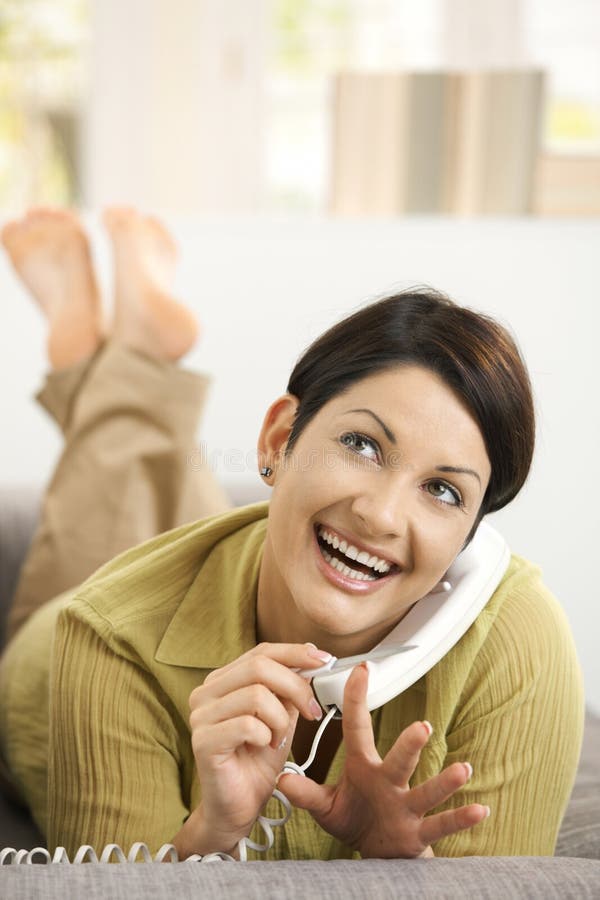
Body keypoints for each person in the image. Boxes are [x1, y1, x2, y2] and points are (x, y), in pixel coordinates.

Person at [0, 207, 584, 862]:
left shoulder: (517, 638)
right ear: (279, 437)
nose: (383, 516)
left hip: (228, 562)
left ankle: (105, 357)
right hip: (49, 644)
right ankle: (105, 355)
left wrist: (399, 873)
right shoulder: (107, 635)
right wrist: (210, 835)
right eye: (362, 444)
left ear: (471, 539)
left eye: (443, 490)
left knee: (177, 510)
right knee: (132, 541)